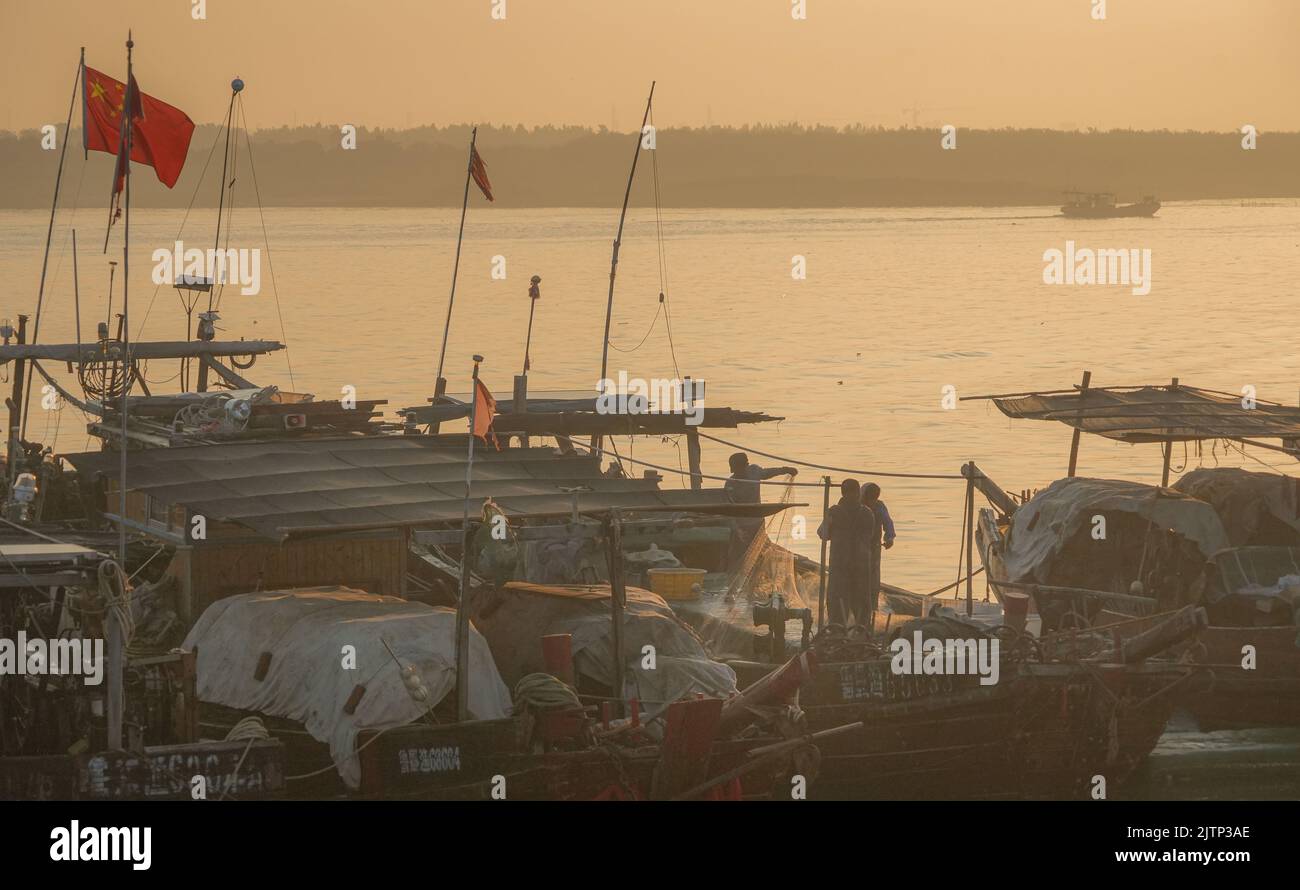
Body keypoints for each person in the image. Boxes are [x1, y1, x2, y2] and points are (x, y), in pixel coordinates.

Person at [817, 479, 877, 626]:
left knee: (839, 602)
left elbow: (823, 534)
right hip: (859, 566)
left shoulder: (834, 512)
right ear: (858, 493)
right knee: (860, 603)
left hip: (842, 565)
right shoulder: (867, 513)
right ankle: (862, 633)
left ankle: (840, 632)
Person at [724, 452, 797, 569]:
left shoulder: (754, 471)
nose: (737, 472)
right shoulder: (730, 484)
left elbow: (768, 473)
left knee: (758, 551)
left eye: (739, 468)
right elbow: (729, 508)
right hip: (741, 525)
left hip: (757, 522)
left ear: (745, 466)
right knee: (741, 554)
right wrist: (736, 527)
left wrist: (785, 469)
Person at [860, 483, 896, 621]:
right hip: (858, 550)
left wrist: (889, 538)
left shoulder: (879, 507)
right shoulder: (858, 507)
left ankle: (872, 612)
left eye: (874, 498)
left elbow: (888, 524)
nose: (872, 502)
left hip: (874, 548)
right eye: (870, 498)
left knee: (873, 581)